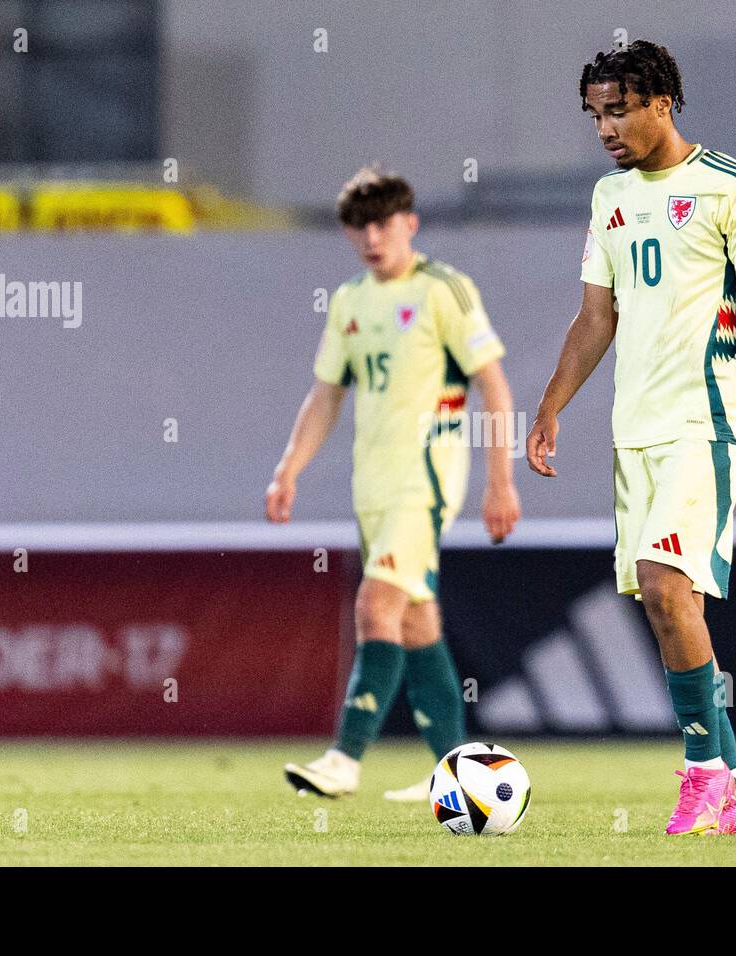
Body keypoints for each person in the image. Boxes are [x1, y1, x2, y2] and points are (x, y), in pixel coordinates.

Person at [526, 41, 736, 835]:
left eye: (618, 110)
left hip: (709, 423)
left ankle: (701, 775)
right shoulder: (610, 197)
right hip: (636, 433)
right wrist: (551, 404)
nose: (605, 128)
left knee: (664, 585)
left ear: (662, 103)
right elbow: (596, 317)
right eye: (595, 115)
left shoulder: (732, 187)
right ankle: (735, 790)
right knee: (672, 607)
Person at [267, 166, 521, 800]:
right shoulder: (350, 300)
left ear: (410, 223)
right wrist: (289, 468)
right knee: (415, 623)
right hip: (373, 487)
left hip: (424, 481)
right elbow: (326, 395)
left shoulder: (444, 290)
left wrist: (501, 482)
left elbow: (493, 386)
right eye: (359, 227)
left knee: (374, 605)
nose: (371, 238)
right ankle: (460, 773)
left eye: (382, 224)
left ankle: (344, 759)